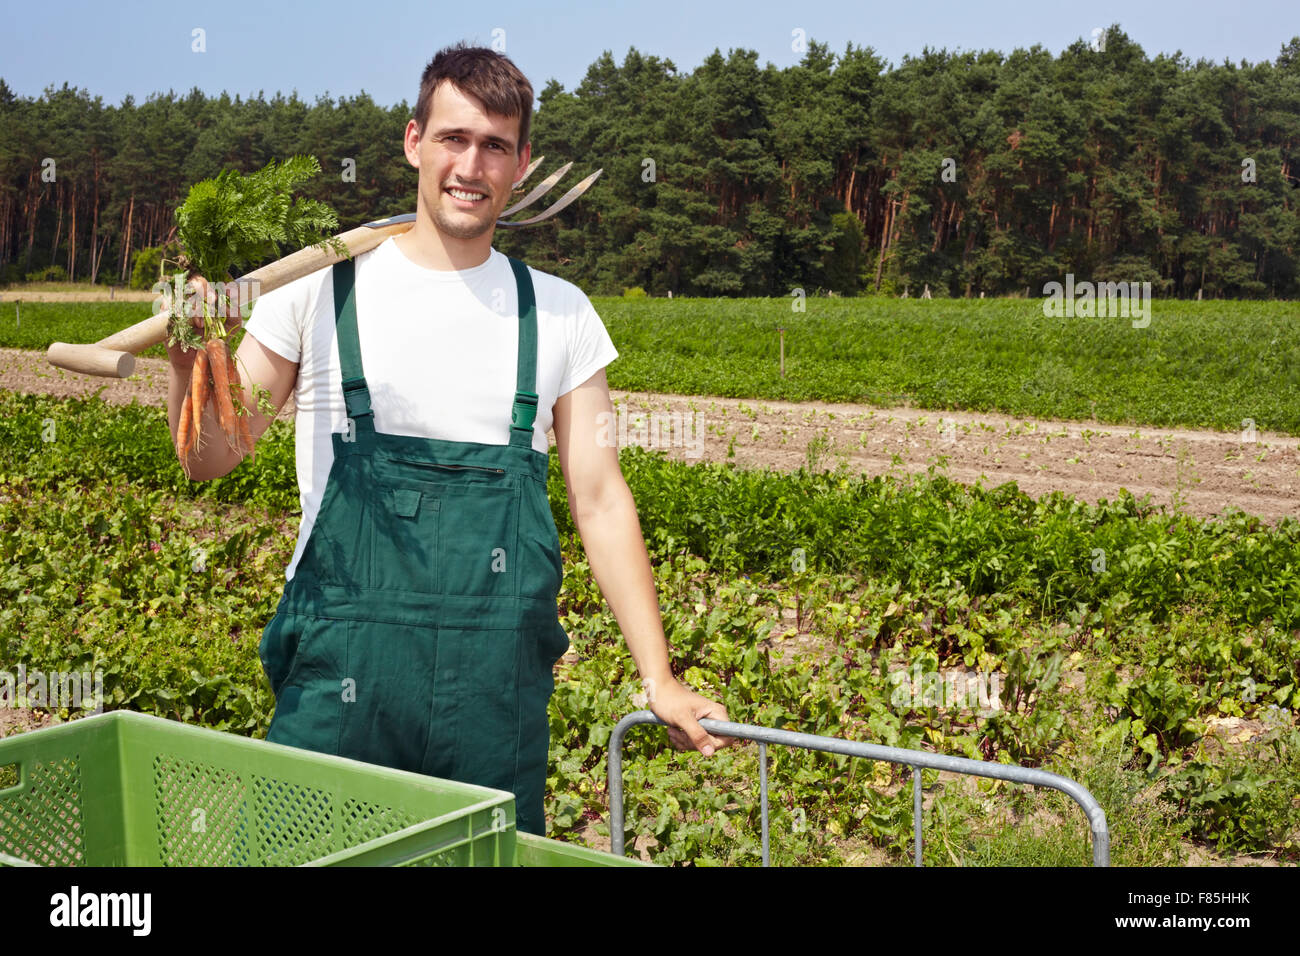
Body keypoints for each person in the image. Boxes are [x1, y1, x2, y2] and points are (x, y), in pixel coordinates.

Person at [165, 42, 733, 836]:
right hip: (341, 683)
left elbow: (599, 499)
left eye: (496, 145)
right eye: (453, 139)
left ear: (522, 163)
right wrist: (190, 347)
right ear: (413, 142)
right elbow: (208, 456)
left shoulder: (560, 313)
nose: (472, 165)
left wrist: (660, 677)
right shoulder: (314, 293)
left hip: (492, 702)